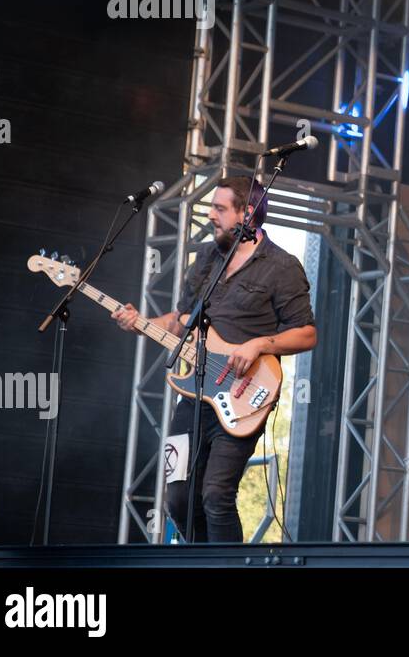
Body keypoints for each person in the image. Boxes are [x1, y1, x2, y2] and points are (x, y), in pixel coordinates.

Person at [112, 176, 317, 542]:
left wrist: (259, 344)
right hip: (193, 397)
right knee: (177, 498)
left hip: (244, 394)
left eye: (220, 208)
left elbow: (306, 333)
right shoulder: (208, 257)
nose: (210, 215)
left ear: (248, 213)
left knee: (216, 495)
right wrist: (138, 322)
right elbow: (180, 322)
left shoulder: (282, 267)